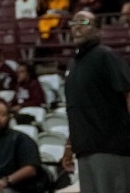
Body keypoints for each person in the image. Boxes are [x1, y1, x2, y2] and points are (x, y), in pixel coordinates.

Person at [61, 11, 130, 192]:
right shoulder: (73, 65)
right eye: (73, 22)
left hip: (110, 148)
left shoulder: (105, 56)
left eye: (83, 22)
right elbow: (76, 109)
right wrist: (70, 144)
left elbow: (128, 94)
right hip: (84, 150)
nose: (77, 26)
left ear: (98, 30)